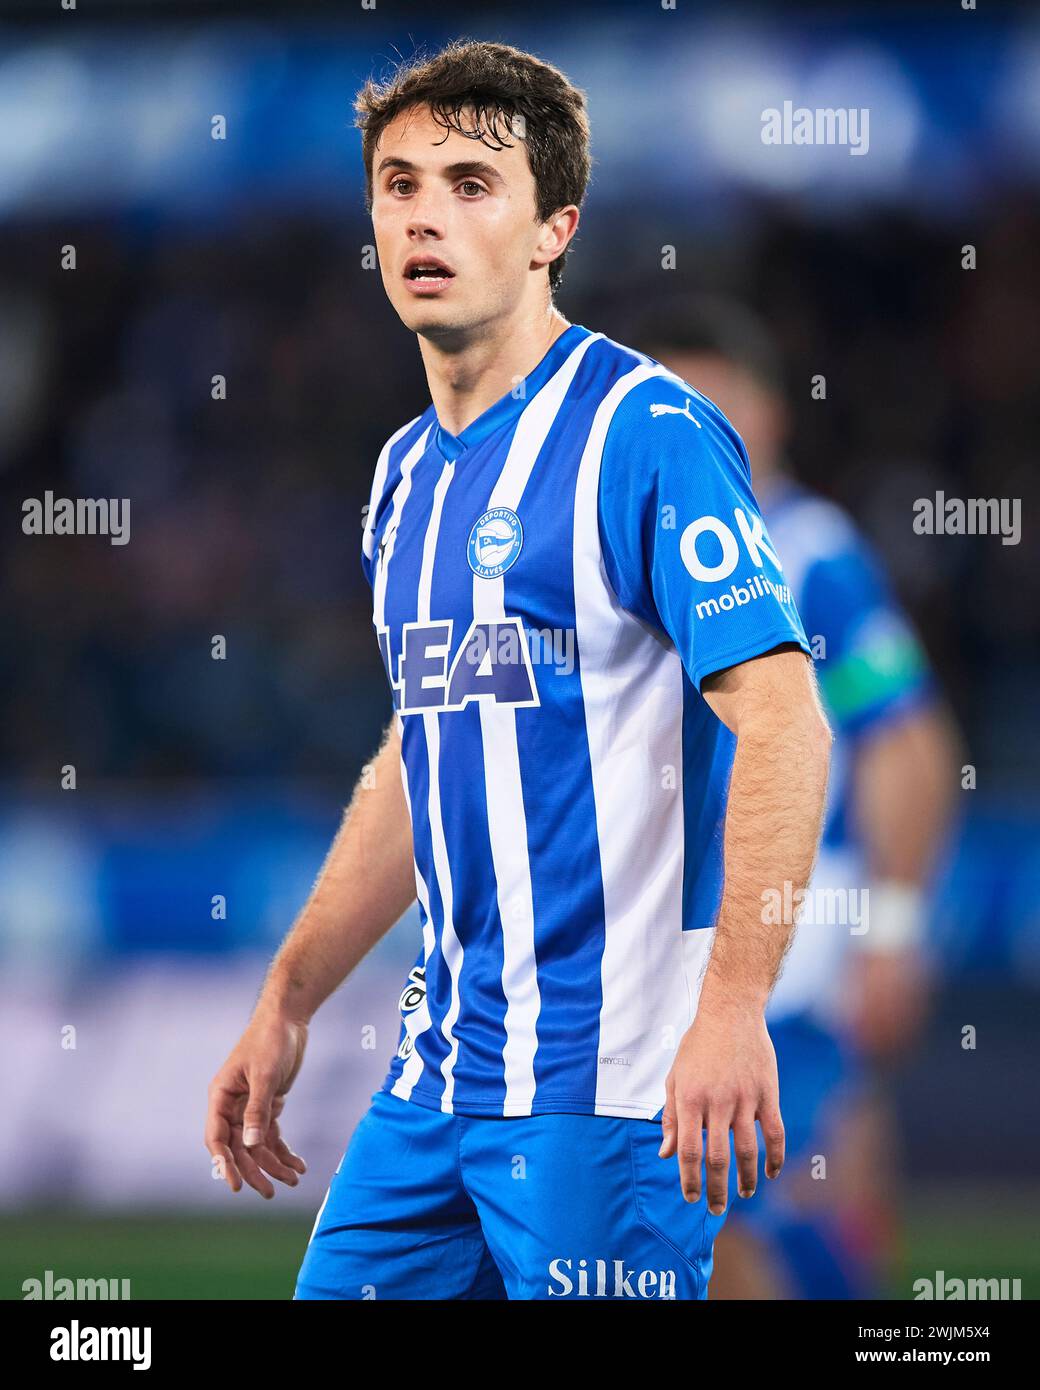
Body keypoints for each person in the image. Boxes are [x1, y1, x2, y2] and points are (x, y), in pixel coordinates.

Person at [205, 41, 831, 1301]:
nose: (422, 212)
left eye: (470, 184)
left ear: (554, 228)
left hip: (608, 1092)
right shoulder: (401, 476)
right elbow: (422, 750)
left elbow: (784, 721)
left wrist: (732, 1008)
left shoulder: (639, 434)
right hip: (434, 1080)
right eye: (397, 183)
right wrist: (289, 992)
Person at [639, 296, 957, 1298]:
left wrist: (893, 926)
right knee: (718, 1230)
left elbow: (907, 743)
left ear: (768, 415)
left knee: (766, 1228)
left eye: (713, 403)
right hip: (664, 951)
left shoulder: (805, 553)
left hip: (786, 947)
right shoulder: (625, 554)